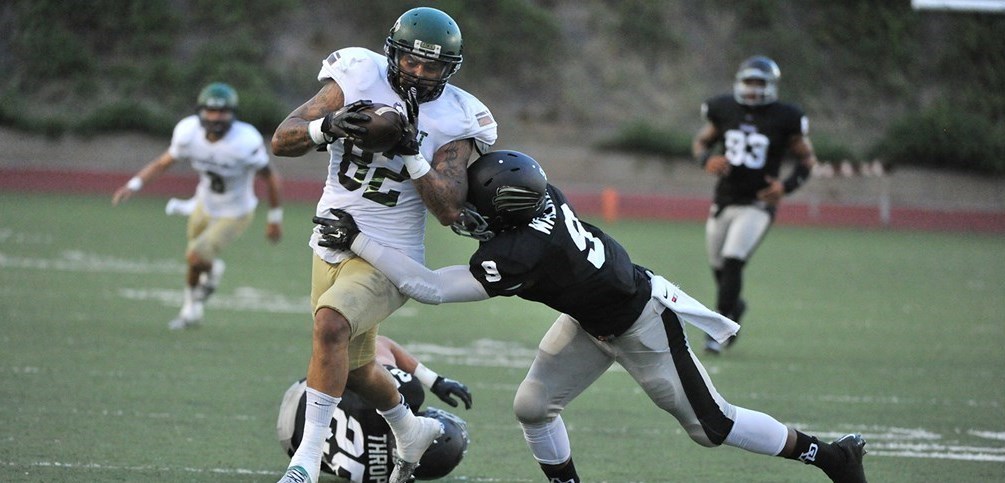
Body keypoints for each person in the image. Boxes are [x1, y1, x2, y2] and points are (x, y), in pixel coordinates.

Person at [315, 150, 867, 483]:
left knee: (711, 426)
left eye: (478, 208)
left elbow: (429, 286)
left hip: (639, 321)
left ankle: (829, 456)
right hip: (590, 316)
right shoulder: (538, 195)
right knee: (533, 406)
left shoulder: (520, 254)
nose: (466, 214)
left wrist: (359, 238)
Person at [269, 6, 497, 483]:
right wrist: (327, 128)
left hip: (389, 254)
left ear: (448, 70)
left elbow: (448, 207)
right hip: (330, 236)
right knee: (353, 367)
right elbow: (282, 139)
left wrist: (413, 152)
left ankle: (305, 461)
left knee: (330, 327)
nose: (417, 72)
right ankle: (409, 430)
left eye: (430, 66)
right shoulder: (356, 73)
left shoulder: (459, 115)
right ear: (392, 54)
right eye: (410, 61)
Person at [112, 82, 283, 330]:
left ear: (232, 114)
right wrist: (134, 184)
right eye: (211, 111)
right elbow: (163, 163)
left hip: (235, 212)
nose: (216, 117)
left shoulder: (245, 140)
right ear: (200, 111)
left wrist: (275, 218)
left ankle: (214, 270)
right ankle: (191, 310)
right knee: (193, 261)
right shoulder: (188, 132)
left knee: (196, 255)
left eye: (222, 112)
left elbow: (272, 178)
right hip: (203, 204)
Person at [692, 55, 819, 354]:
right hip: (724, 200)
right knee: (720, 268)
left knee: (734, 259)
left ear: (771, 86)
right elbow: (701, 143)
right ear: (739, 82)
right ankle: (736, 306)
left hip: (758, 204)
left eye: (759, 83)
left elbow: (807, 160)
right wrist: (705, 160)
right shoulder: (723, 108)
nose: (753, 89)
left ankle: (718, 332)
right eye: (749, 82)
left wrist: (785, 186)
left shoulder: (785, 116)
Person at [277, 335, 472, 482]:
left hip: (306, 396)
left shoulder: (409, 392)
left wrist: (434, 380)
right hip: (291, 444)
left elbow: (378, 344)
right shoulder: (382, 478)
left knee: (361, 362)